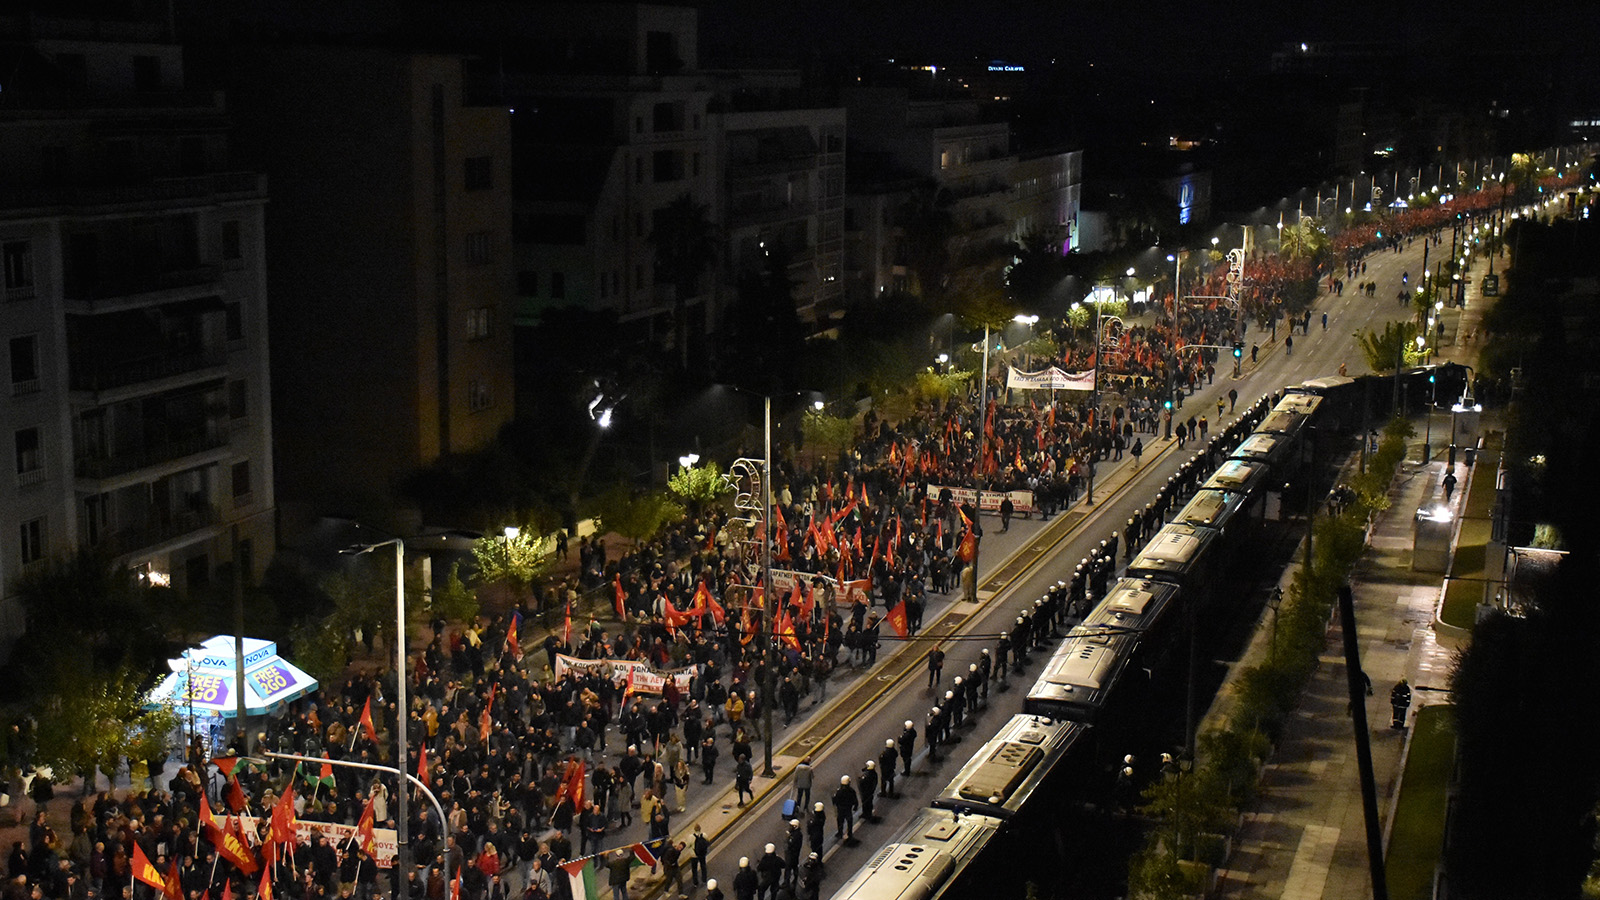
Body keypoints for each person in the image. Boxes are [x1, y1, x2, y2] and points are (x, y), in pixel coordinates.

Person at [832, 776, 858, 842]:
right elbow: (855, 799)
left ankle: (840, 832)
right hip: (848, 808)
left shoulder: (839, 791)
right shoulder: (851, 791)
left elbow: (835, 800)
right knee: (849, 821)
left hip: (840, 808)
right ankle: (850, 834)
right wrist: (855, 806)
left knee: (840, 821)